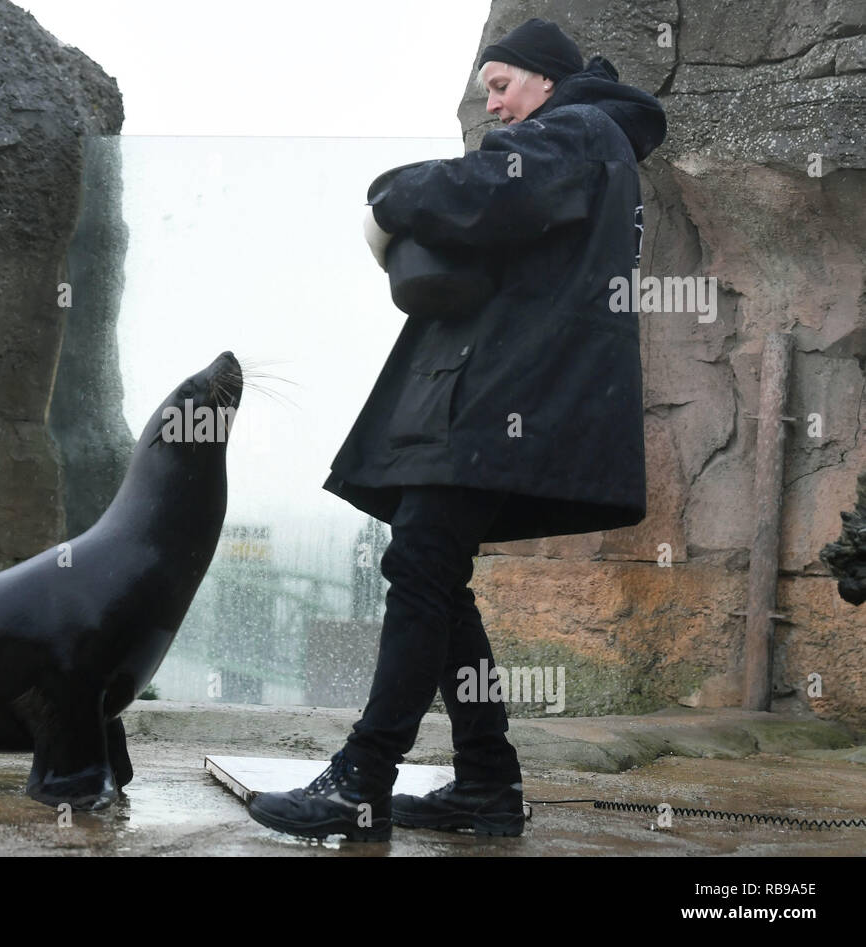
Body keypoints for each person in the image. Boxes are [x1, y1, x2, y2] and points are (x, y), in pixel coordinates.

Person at [248, 18, 667, 842]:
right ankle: (485, 782)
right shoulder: (595, 142)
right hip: (512, 393)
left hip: (501, 395)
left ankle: (361, 778)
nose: (495, 105)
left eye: (503, 86)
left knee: (422, 570)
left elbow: (480, 193)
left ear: (546, 79)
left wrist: (392, 194)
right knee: (433, 572)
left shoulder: (576, 130)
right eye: (488, 93)